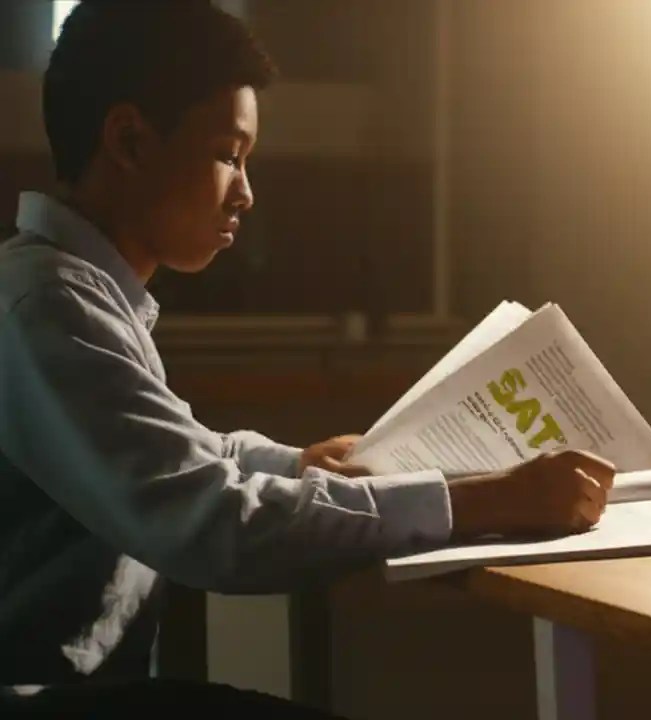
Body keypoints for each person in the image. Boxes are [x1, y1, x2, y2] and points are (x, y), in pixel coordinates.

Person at [0, 0, 614, 715]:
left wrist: (297, 463)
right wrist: (487, 501)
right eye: (228, 155)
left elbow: (180, 454)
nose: (246, 193)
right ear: (130, 140)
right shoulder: (46, 308)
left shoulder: (75, 293)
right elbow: (213, 523)